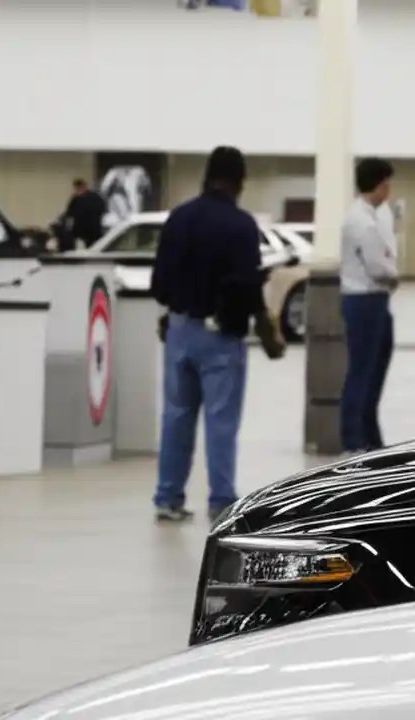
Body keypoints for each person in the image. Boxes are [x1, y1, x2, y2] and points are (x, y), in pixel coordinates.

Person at [150, 146, 285, 523]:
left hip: (179, 329)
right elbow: (246, 284)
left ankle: (167, 497)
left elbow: (159, 281)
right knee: (221, 421)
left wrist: (175, 306)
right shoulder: (240, 224)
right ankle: (221, 500)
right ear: (239, 180)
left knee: (176, 416)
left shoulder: (179, 218)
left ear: (206, 176)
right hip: (221, 336)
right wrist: (263, 324)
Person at [338, 158, 399, 454]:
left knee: (374, 370)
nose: (389, 189)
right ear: (378, 184)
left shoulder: (374, 216)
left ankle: (370, 434)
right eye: (387, 183)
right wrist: (393, 273)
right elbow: (378, 266)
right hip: (365, 301)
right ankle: (353, 439)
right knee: (362, 371)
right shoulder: (362, 221)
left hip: (375, 300)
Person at [60, 178, 107, 251]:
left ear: (84, 187)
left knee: (94, 246)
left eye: (80, 188)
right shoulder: (75, 199)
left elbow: (102, 209)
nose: (78, 190)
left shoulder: (95, 198)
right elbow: (69, 213)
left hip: (93, 229)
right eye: (76, 188)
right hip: (81, 230)